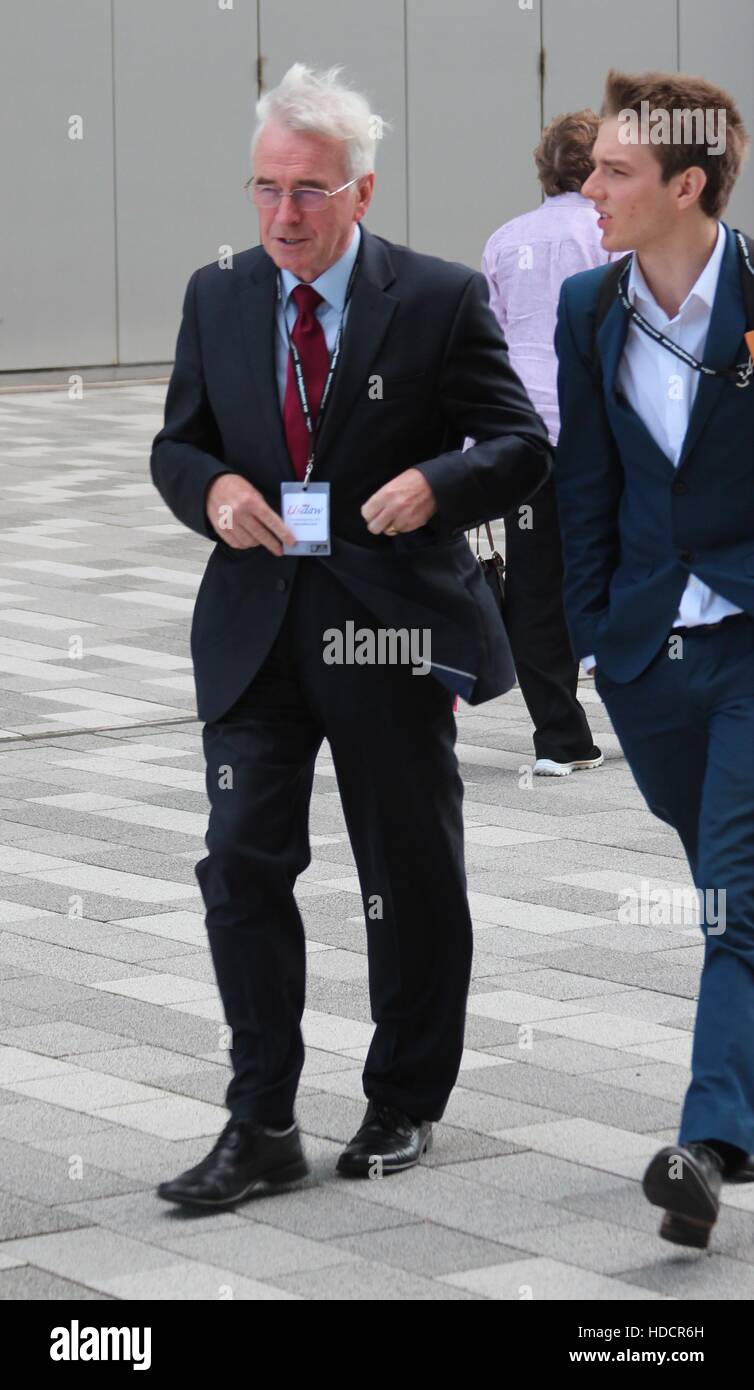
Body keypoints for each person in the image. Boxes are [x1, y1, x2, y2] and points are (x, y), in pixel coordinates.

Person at [150, 63, 551, 1208]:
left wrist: (436, 480)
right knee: (238, 865)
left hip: (388, 629)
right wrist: (215, 492)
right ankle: (260, 1119)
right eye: (268, 187)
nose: (284, 214)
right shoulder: (217, 293)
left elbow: (518, 443)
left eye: (311, 191)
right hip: (255, 631)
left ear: (361, 191)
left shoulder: (434, 296)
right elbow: (177, 444)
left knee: (408, 870)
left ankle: (403, 1101)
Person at [554, 68, 754, 1248]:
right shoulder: (589, 306)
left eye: (617, 170)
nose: (591, 186)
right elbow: (586, 482)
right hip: (643, 659)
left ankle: (705, 1143)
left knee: (733, 897)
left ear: (687, 184)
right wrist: (593, 645)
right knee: (730, 886)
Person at [477, 111, 607, 774]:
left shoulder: (505, 241)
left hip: (524, 438)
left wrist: (477, 443)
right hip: (601, 435)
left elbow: (488, 347)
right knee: (628, 564)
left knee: (534, 586)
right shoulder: (614, 234)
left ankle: (560, 738)